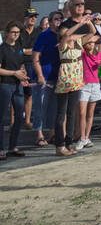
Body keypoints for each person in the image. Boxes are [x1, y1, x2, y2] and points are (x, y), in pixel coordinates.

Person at [55, 0, 95, 154]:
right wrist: (79, 25)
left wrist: (88, 21)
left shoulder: (78, 42)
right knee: (62, 112)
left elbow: (92, 32)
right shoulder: (64, 42)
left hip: (77, 75)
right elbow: (66, 35)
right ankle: (59, 145)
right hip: (66, 74)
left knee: (72, 111)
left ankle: (69, 142)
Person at [31, 10, 63, 148]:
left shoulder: (63, 36)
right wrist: (39, 75)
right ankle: (39, 134)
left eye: (61, 19)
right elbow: (35, 57)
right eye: (56, 19)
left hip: (58, 78)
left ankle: (52, 133)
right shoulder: (43, 36)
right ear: (49, 22)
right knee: (40, 107)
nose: (59, 22)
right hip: (44, 76)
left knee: (54, 108)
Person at [0, 22, 28, 160]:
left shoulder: (18, 47)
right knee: (2, 117)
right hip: (5, 84)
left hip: (18, 85)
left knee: (19, 116)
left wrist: (23, 74)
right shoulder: (2, 49)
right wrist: (14, 73)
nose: (16, 34)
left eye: (17, 32)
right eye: (13, 32)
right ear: (6, 33)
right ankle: (0, 149)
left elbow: (22, 63)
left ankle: (12, 146)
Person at [77, 35, 101, 149]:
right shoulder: (82, 53)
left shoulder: (98, 54)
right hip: (84, 85)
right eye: (89, 42)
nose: (91, 44)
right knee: (82, 113)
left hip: (95, 84)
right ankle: (82, 137)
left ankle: (86, 137)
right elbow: (80, 43)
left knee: (90, 114)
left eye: (93, 42)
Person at [19, 9, 38, 130]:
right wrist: (25, 51)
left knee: (29, 94)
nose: (33, 18)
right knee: (16, 94)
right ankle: (13, 121)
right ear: (25, 18)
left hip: (32, 64)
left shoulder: (38, 32)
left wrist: (26, 50)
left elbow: (38, 50)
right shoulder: (20, 32)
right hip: (19, 65)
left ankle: (27, 121)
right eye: (31, 16)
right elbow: (18, 50)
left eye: (35, 16)